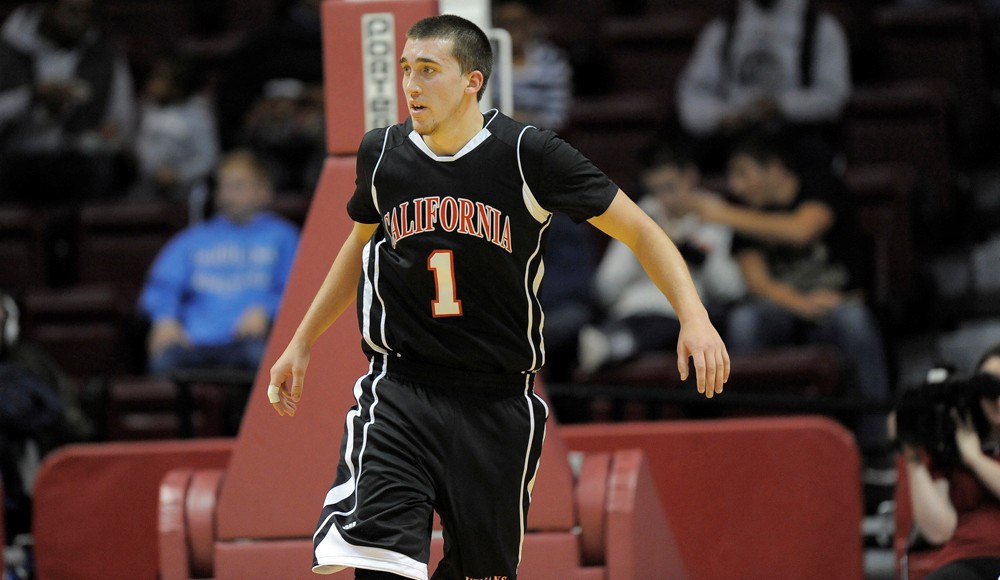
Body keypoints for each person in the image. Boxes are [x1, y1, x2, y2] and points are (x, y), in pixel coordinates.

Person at [267, 14, 729, 580]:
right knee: (378, 566)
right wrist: (302, 340)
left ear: (472, 81)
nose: (411, 85)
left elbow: (641, 230)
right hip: (401, 389)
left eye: (429, 71)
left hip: (497, 400)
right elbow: (358, 248)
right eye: (407, 69)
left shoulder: (529, 156)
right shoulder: (382, 153)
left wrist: (694, 316)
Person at [678, 129, 890, 449]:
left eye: (743, 174)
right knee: (744, 321)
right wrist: (800, 303)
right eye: (731, 177)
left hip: (838, 306)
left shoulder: (820, 187)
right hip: (786, 310)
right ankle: (749, 438)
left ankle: (878, 445)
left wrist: (724, 214)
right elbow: (757, 282)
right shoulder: (747, 217)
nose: (736, 186)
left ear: (774, 169)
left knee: (853, 319)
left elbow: (801, 230)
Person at [578, 143, 746, 374]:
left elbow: (731, 290)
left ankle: (617, 346)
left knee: (673, 328)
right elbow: (604, 288)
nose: (665, 199)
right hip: (629, 314)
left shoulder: (714, 214)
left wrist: (698, 254)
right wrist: (643, 248)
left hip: (683, 316)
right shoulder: (639, 216)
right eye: (657, 191)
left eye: (671, 187)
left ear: (690, 177)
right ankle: (614, 343)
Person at [139, 150, 299, 376]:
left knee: (268, 364)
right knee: (162, 362)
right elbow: (162, 285)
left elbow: (297, 290)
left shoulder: (284, 237)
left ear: (264, 191)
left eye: (238, 185)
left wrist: (267, 310)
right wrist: (164, 319)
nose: (228, 194)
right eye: (223, 186)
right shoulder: (193, 239)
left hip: (248, 340)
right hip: (192, 341)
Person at [674, 0, 851, 172]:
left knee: (815, 156)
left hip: (794, 133)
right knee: (682, 159)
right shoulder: (722, 28)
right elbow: (692, 95)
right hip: (733, 135)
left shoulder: (822, 28)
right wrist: (721, 117)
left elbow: (833, 97)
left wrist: (781, 106)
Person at [0, 0, 137, 203]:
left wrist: (108, 133)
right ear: (47, 8)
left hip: (77, 160)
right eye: (71, 12)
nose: (79, 21)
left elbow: (121, 120)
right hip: (15, 155)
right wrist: (32, 97)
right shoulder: (7, 50)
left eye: (87, 14)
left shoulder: (104, 55)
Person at [896, 345, 1000, 579]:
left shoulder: (969, 452)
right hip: (963, 562)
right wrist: (914, 458)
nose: (996, 398)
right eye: (988, 386)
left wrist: (974, 459)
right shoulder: (951, 445)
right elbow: (939, 531)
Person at [130, 54, 220, 203]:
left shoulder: (197, 115)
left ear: (177, 88)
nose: (151, 84)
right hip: (149, 185)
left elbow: (208, 158)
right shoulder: (148, 108)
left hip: (187, 191)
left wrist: (179, 174)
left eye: (160, 79)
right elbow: (142, 145)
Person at [492, 0, 573, 132]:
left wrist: (522, 120)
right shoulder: (483, 61)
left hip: (540, 140)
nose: (514, 30)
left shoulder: (552, 62)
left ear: (531, 23)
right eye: (507, 24)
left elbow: (559, 116)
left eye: (519, 23)